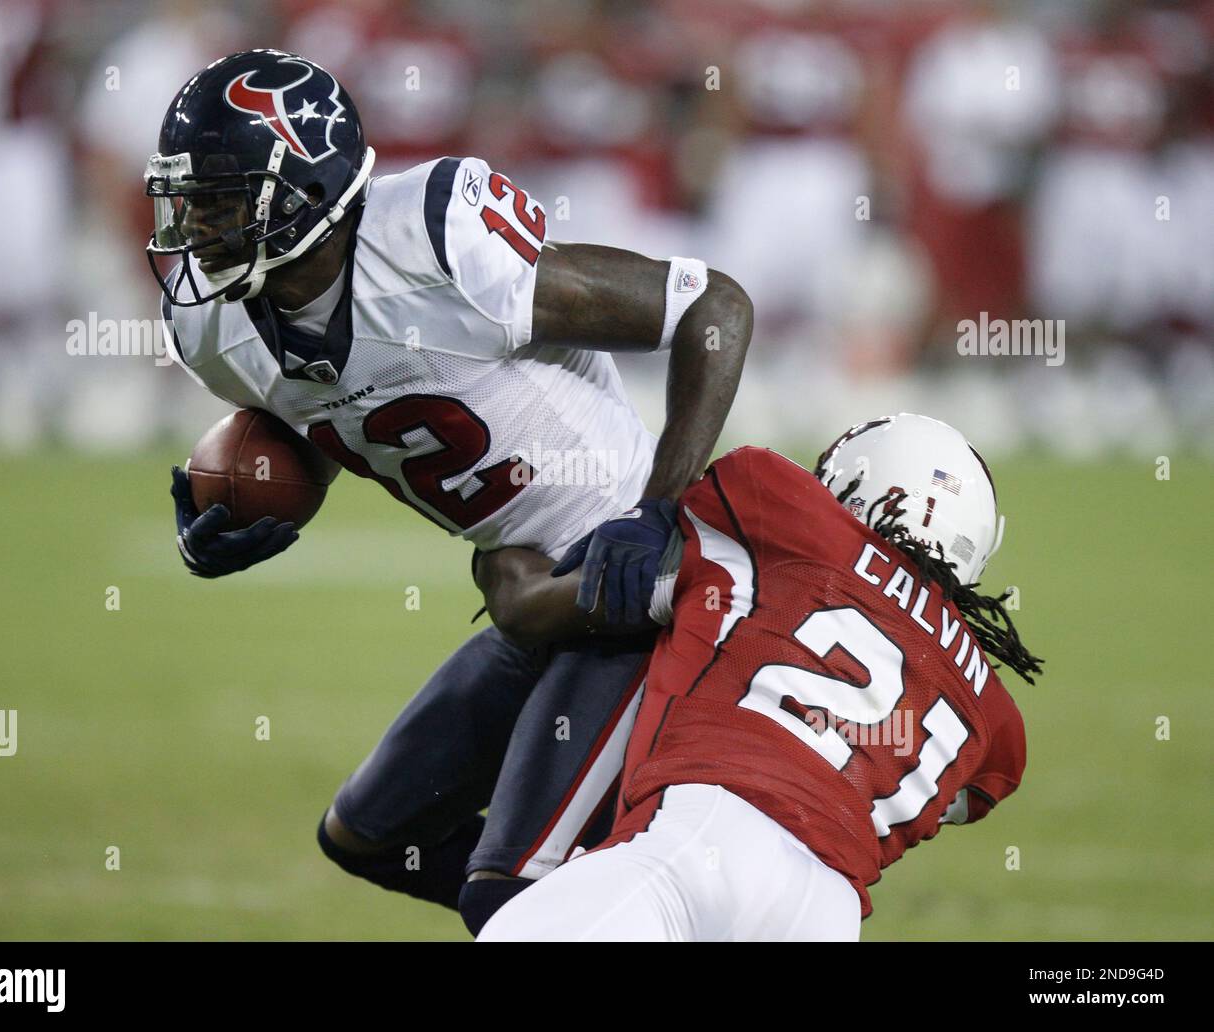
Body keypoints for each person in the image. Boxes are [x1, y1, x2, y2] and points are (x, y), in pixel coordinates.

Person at [145, 49, 752, 934]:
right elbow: (321, 420)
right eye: (188, 199)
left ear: (306, 193)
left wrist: (660, 510)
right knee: (371, 836)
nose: (195, 227)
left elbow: (714, 310)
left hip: (636, 583)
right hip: (533, 595)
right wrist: (232, 503)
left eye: (222, 199)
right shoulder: (214, 326)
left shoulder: (433, 243)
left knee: (498, 894)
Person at [474, 414, 1042, 940]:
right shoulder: (996, 721)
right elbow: (959, 795)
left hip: (703, 831)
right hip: (826, 913)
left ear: (856, 483)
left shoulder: (780, 506)